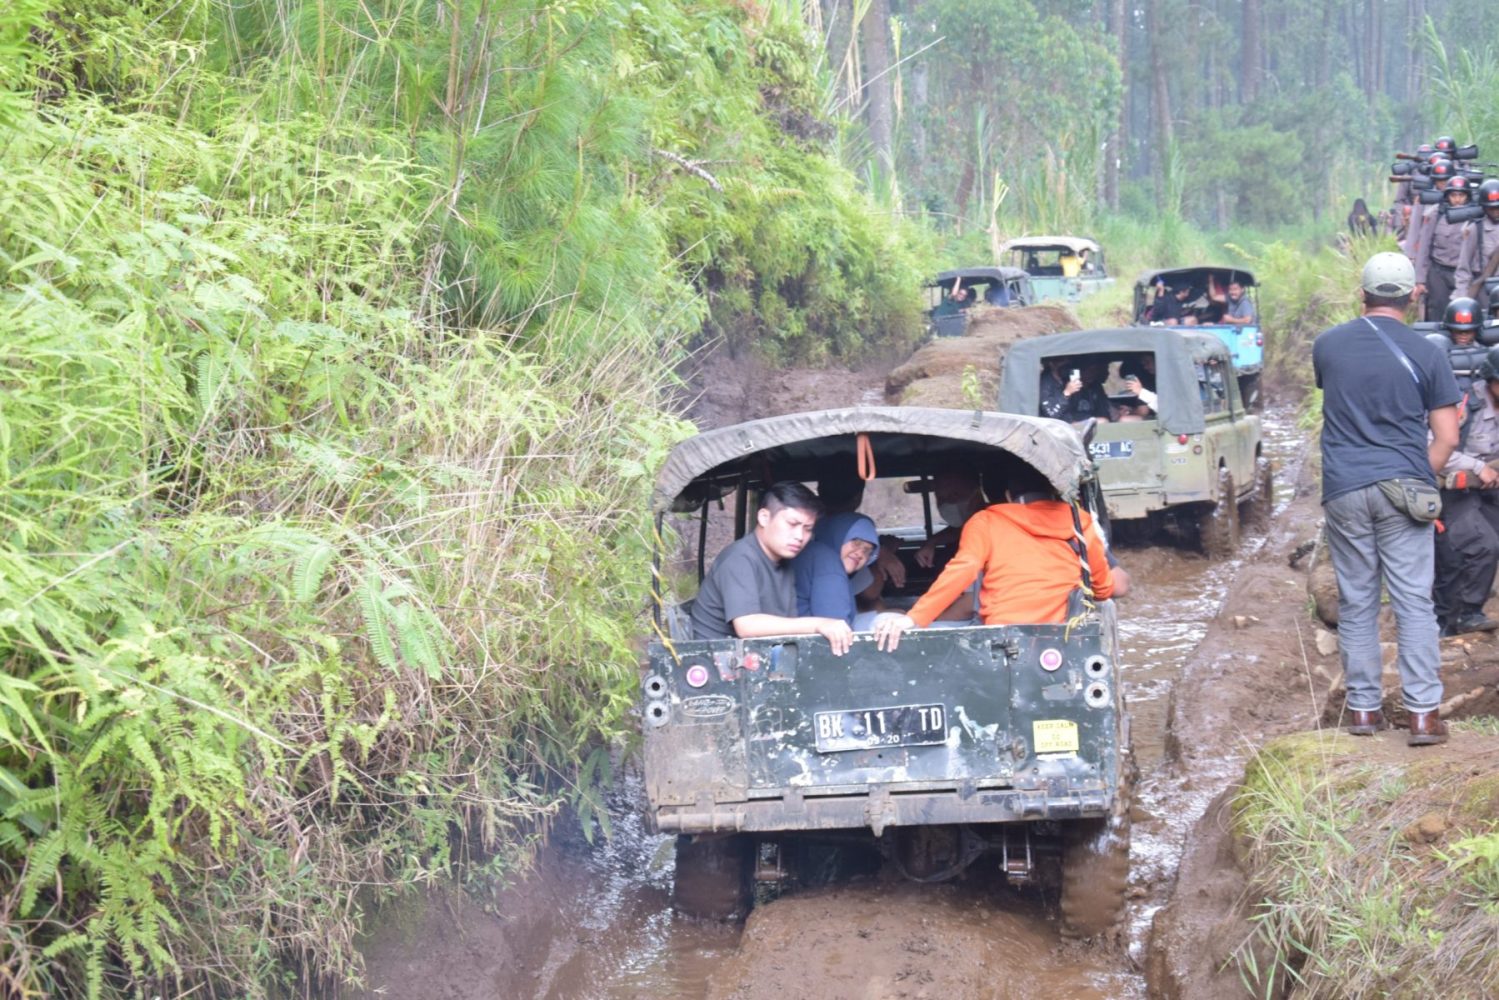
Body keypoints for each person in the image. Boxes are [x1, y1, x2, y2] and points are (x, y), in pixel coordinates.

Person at [1312, 251, 1460, 745]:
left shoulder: (1328, 345)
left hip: (1344, 489)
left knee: (1357, 602)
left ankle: (1363, 711)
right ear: (1415, 296)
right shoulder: (1429, 353)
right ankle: (1422, 716)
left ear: (1362, 294)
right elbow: (1447, 437)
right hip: (1404, 491)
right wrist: (1416, 477)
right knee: (1413, 602)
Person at [872, 461, 1117, 649]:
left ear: (1008, 495)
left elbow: (962, 570)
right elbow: (1103, 589)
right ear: (1053, 491)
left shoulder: (986, 521)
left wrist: (914, 618)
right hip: (1063, 635)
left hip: (1002, 637)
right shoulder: (1080, 522)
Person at [689, 482, 855, 654]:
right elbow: (747, 626)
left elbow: (786, 624)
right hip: (714, 659)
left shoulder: (784, 563)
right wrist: (819, 624)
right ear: (764, 517)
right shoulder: (739, 558)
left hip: (755, 657)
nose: (800, 536)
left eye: (807, 529)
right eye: (792, 524)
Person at [1433, 345, 1499, 637]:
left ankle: (1469, 612)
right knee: (1473, 547)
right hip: (1454, 490)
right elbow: (1435, 447)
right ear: (1490, 380)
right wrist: (1478, 466)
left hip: (1490, 490)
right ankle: (1452, 620)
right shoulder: (1463, 404)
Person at [791, 512, 880, 629]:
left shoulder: (811, 552)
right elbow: (838, 630)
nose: (860, 554)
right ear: (838, 535)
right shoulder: (829, 566)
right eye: (856, 543)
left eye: (867, 551)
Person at [1414, 174, 1473, 322]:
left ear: (1467, 196)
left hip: (1463, 273)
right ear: (1447, 196)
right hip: (1438, 271)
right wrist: (1420, 279)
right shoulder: (1436, 213)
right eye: (1453, 195)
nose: (1457, 199)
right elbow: (1424, 248)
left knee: (1462, 313)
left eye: (1461, 195)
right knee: (1436, 310)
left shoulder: (1474, 217)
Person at [1455, 178, 1499, 315]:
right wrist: (1461, 298)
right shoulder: (1475, 229)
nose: (1496, 211)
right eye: (1491, 208)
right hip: (1484, 290)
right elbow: (1463, 268)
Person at [1039, 356, 1116, 423]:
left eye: (1068, 362)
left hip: (1073, 419)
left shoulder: (1067, 380)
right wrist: (1067, 393)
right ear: (1052, 363)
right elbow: (1051, 414)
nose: (1065, 365)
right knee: (1102, 422)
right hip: (1058, 426)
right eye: (1062, 361)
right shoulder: (1045, 383)